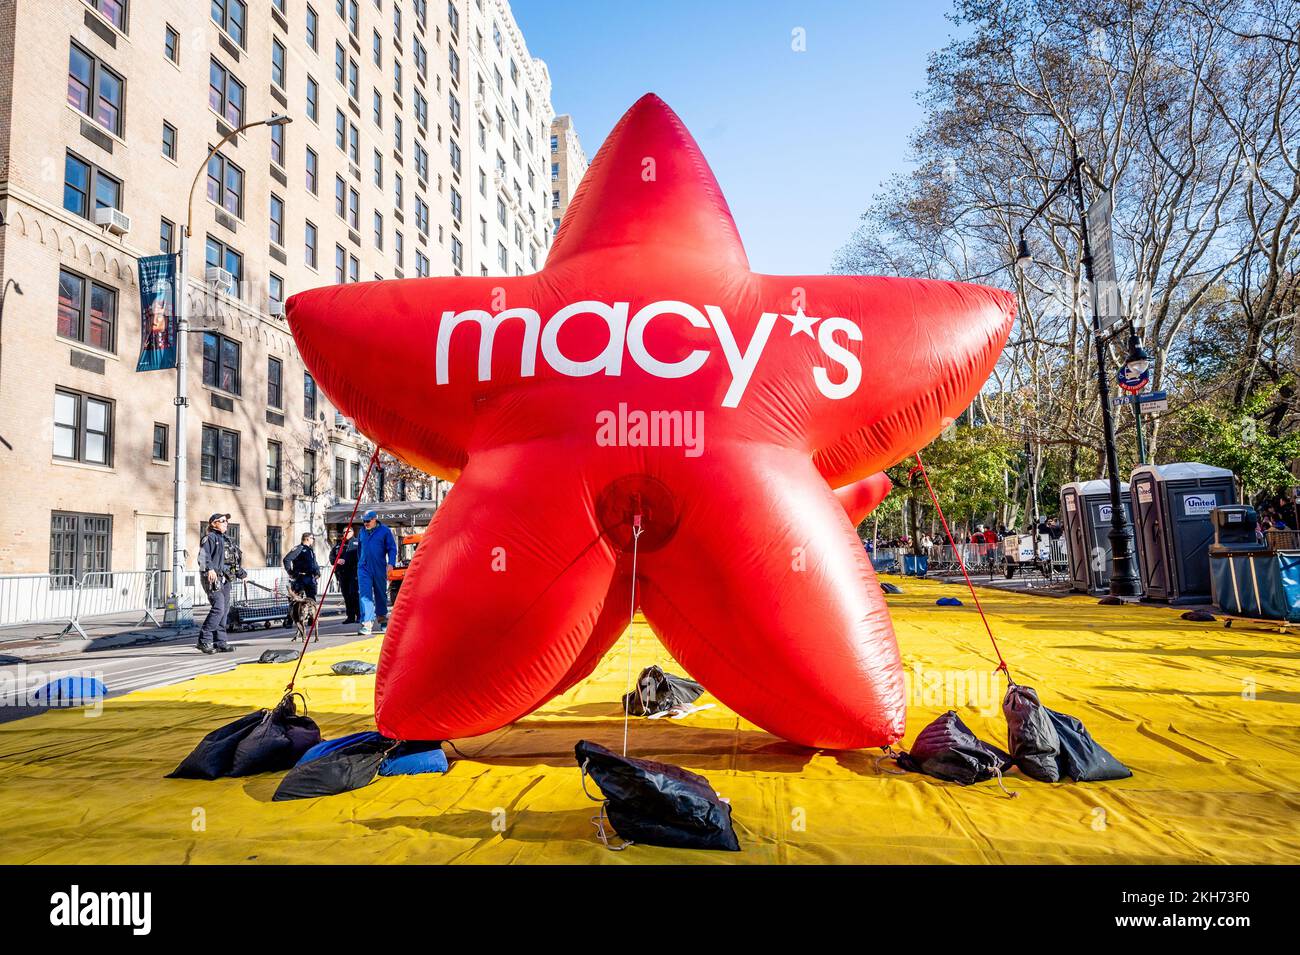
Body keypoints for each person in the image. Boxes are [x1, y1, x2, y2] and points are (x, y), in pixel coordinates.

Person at [196, 512, 245, 654]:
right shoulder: (209, 538)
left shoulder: (227, 540)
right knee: (218, 608)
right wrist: (209, 569)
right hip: (212, 578)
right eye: (222, 521)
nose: (226, 523)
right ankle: (204, 640)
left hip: (225, 579)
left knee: (224, 611)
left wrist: (242, 575)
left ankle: (220, 642)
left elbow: (231, 561)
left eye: (226, 521)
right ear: (213, 523)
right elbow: (203, 556)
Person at [356, 510, 397, 635]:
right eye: (364, 521)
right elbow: (359, 550)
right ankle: (366, 623)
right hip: (364, 567)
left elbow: (392, 548)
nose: (365, 523)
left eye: (368, 521)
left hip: (379, 567)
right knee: (364, 594)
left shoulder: (385, 531)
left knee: (380, 593)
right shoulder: (362, 532)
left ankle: (382, 618)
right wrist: (359, 564)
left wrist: (391, 563)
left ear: (374, 519)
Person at [329, 527, 361, 624]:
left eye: (348, 531)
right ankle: (350, 616)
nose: (345, 533)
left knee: (354, 594)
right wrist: (336, 560)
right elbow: (331, 557)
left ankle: (359, 615)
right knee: (346, 595)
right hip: (342, 574)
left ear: (353, 532)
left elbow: (362, 557)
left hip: (354, 573)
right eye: (344, 532)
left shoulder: (358, 543)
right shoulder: (339, 545)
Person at [283, 531, 321, 600]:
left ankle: (310, 610)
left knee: (311, 600)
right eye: (312, 538)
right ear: (307, 539)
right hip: (300, 578)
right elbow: (287, 559)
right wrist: (290, 572)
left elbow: (314, 562)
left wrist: (317, 572)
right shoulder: (299, 548)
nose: (313, 540)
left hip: (310, 578)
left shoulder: (310, 550)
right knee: (297, 600)